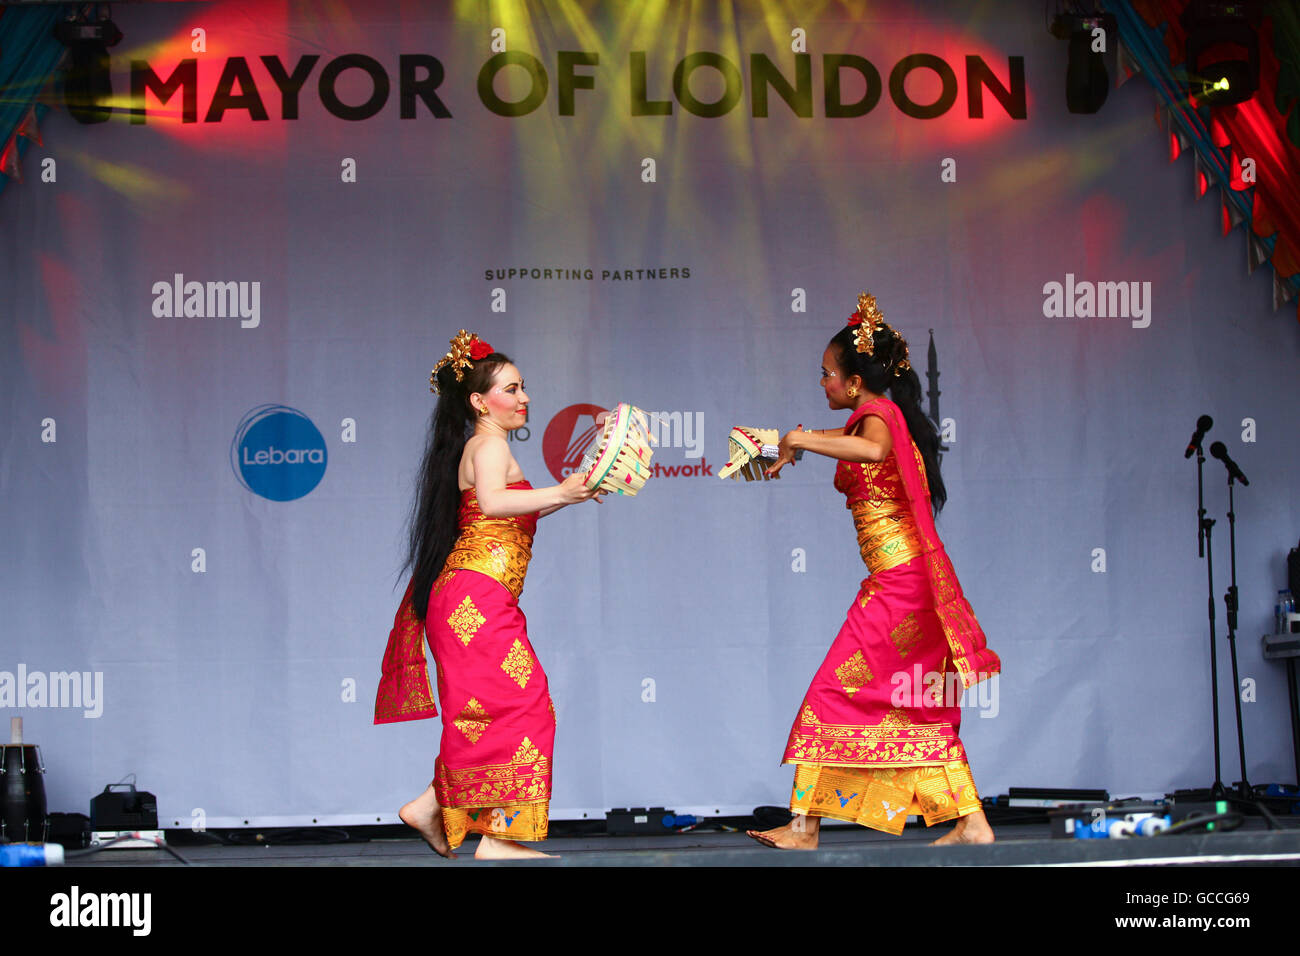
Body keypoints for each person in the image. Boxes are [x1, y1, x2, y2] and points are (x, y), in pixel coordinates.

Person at [747, 294, 1001, 849]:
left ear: (855, 380)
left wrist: (797, 439)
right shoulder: (877, 414)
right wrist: (796, 446)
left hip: (899, 587)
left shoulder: (877, 416)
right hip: (905, 586)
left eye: (827, 374)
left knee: (831, 693)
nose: (822, 383)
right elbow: (858, 447)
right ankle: (973, 822)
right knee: (915, 707)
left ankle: (802, 828)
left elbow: (869, 448)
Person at [374, 329, 598, 859]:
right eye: (512, 389)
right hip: (475, 598)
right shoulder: (490, 444)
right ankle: (496, 836)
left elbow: (506, 511)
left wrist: (573, 493)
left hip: (472, 599)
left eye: (523, 388)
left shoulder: (480, 446)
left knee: (489, 709)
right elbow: (496, 503)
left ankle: (435, 806)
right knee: (527, 706)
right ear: (479, 401)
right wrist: (565, 489)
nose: (524, 398)